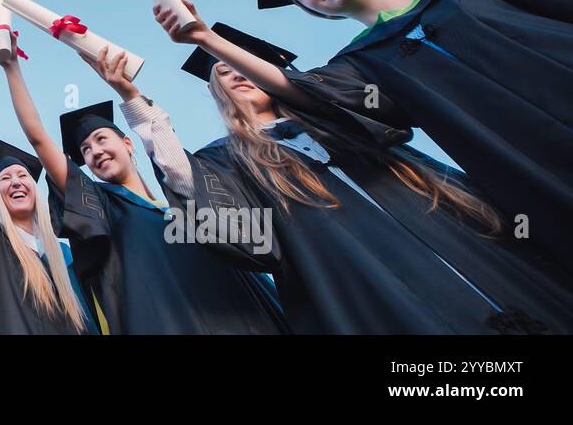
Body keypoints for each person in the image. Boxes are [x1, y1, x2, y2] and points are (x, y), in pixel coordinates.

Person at [105, 22, 573, 334]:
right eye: (223, 74)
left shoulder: (337, 117)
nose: (234, 73)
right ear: (218, 95)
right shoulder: (226, 159)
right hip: (361, 284)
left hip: (473, 249)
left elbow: (389, 114)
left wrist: (210, 39)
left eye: (241, 64)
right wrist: (137, 104)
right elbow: (205, 202)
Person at [232, 0, 573, 274]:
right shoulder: (364, 64)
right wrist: (205, 38)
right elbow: (302, 91)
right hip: (536, 160)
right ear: (314, 12)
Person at [0, 31, 286, 335]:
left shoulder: (186, 204)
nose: (95, 152)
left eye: (101, 139)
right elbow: (38, 136)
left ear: (128, 144)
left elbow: (255, 246)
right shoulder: (102, 208)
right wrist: (11, 67)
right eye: (86, 151)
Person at [0, 50, 94, 334]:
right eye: (5, 178)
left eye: (22, 175)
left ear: (35, 189)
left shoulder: (63, 254)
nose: (15, 182)